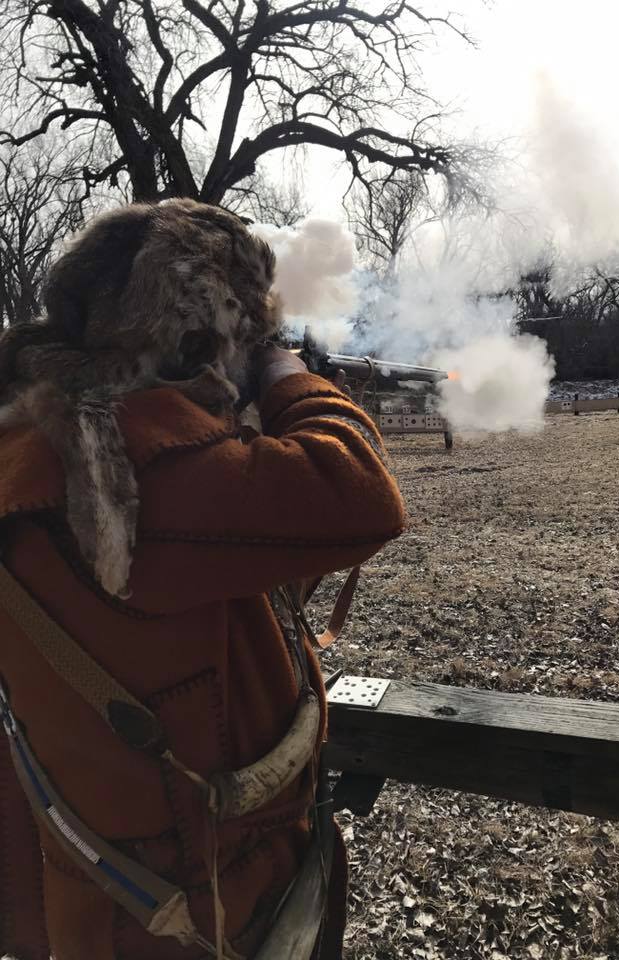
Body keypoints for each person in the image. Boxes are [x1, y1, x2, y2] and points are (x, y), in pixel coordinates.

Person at [0, 198, 405, 960]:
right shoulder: (127, 462)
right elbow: (362, 491)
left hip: (89, 893)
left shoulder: (23, 443)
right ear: (201, 335)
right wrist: (286, 375)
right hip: (212, 909)